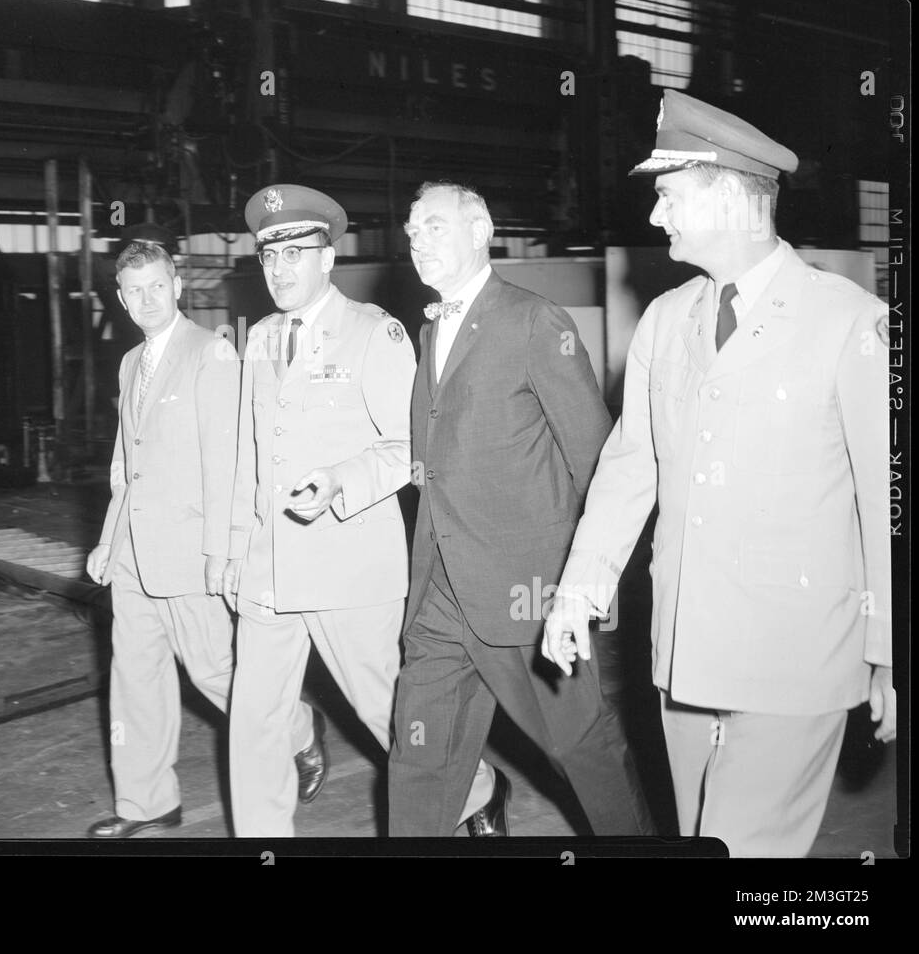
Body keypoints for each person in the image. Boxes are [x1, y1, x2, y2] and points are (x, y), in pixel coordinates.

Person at [542, 90, 893, 857]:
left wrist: (889, 648)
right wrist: (579, 587)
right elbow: (631, 466)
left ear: (731, 195)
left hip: (797, 651)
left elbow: (886, 496)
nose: (655, 217)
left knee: (740, 853)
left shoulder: (846, 321)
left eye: (669, 195)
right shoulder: (667, 320)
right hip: (685, 649)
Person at [387, 182, 653, 838]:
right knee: (420, 756)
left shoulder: (534, 322)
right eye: (412, 229)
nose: (417, 238)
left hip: (524, 592)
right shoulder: (431, 329)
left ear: (481, 231)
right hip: (440, 591)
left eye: (435, 226)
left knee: (582, 749)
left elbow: (598, 461)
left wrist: (580, 584)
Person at [223, 184, 416, 836]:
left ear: (328, 258)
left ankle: (474, 793)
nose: (278, 269)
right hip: (270, 570)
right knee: (254, 720)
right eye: (268, 255)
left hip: (348, 564)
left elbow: (411, 445)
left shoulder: (374, 333)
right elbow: (250, 455)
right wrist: (233, 549)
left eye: (294, 253)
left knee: (386, 711)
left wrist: (342, 479)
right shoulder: (261, 341)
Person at [82, 241, 242, 838]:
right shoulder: (129, 364)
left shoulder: (212, 354)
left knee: (213, 671)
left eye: (157, 286)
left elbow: (229, 462)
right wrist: (107, 541)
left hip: (189, 550)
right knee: (135, 680)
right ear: (121, 300)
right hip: (132, 556)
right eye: (134, 291)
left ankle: (298, 728)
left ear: (176, 286)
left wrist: (222, 551)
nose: (147, 299)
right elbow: (127, 465)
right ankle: (146, 804)